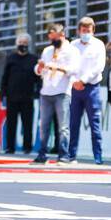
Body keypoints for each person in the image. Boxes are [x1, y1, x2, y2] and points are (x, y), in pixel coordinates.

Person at [33, 24, 77, 165]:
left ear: (62, 35)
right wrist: (39, 68)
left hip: (62, 92)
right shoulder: (47, 51)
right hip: (46, 91)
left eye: (55, 38)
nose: (53, 42)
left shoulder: (71, 50)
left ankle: (63, 155)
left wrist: (58, 67)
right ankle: (42, 154)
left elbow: (74, 69)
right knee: (43, 125)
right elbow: (38, 70)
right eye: (51, 39)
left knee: (63, 126)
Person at [67, 17, 107, 164]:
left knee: (95, 124)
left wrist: (83, 80)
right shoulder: (72, 45)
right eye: (83, 30)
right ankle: (71, 155)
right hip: (74, 88)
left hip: (91, 88)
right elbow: (68, 65)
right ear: (79, 31)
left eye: (88, 30)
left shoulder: (98, 45)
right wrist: (74, 82)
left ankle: (98, 156)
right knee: (73, 123)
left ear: (93, 30)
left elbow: (99, 67)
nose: (86, 33)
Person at [0, 33, 38, 155]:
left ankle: (27, 147)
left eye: (25, 44)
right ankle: (10, 147)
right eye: (20, 43)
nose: (22, 45)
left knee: (27, 124)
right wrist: (2, 93)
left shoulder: (34, 59)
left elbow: (38, 77)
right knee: (11, 123)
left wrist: (37, 92)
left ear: (28, 45)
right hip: (12, 96)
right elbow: (5, 77)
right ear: (17, 44)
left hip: (27, 96)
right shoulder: (11, 58)